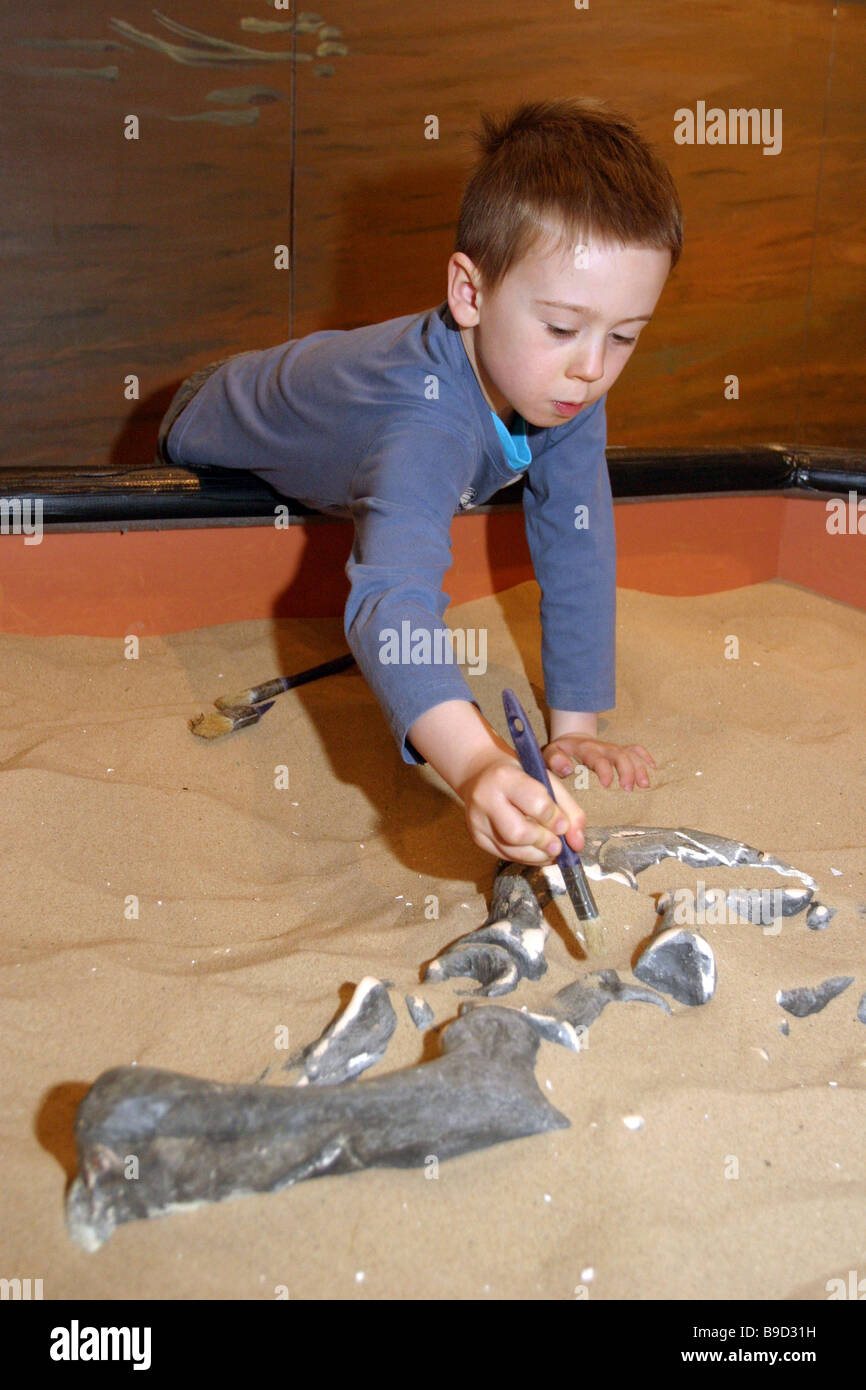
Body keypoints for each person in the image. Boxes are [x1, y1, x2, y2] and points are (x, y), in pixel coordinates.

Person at [157, 97, 682, 868]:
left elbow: (578, 544)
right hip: (206, 416)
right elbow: (388, 604)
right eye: (565, 328)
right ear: (469, 292)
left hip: (342, 435)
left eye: (625, 336)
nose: (593, 366)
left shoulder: (564, 388)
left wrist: (575, 729)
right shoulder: (423, 424)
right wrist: (475, 763)